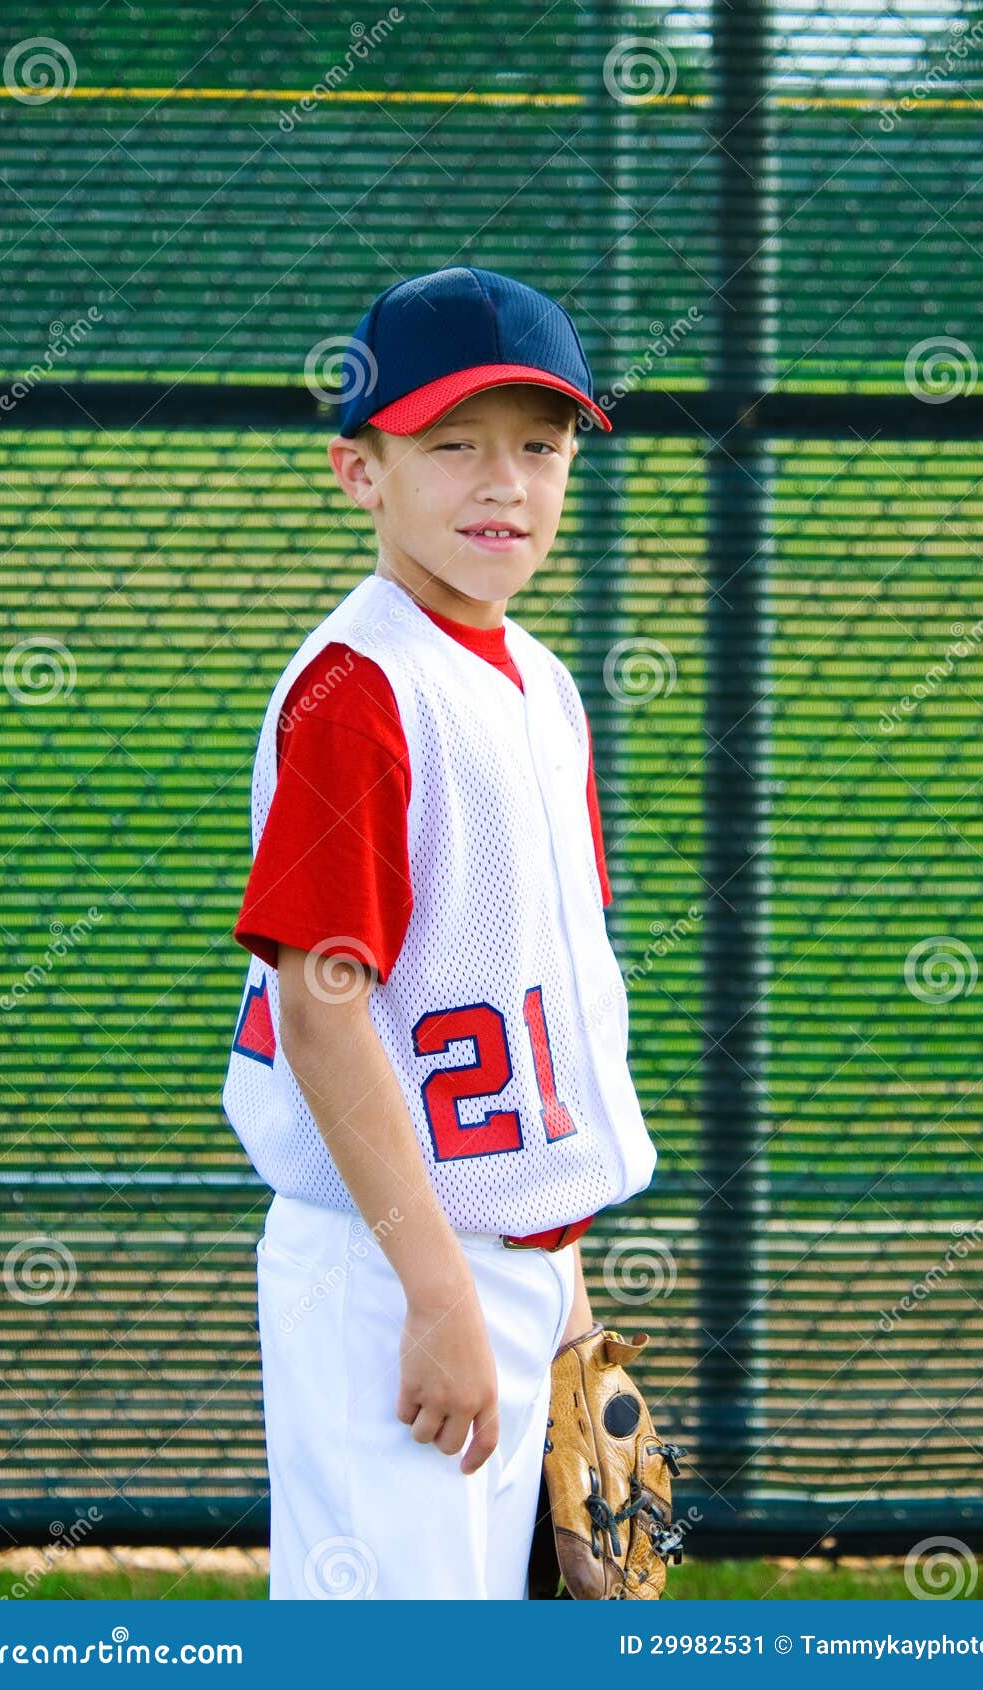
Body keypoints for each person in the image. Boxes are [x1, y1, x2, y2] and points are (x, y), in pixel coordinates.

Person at [222, 265, 658, 1600]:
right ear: (363, 472)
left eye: (539, 444)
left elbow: (537, 1018)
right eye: (451, 444)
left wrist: (564, 1288)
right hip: (386, 1264)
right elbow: (322, 1006)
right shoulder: (362, 694)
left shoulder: (540, 684)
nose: (503, 484)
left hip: (506, 1265)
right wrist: (436, 1294)